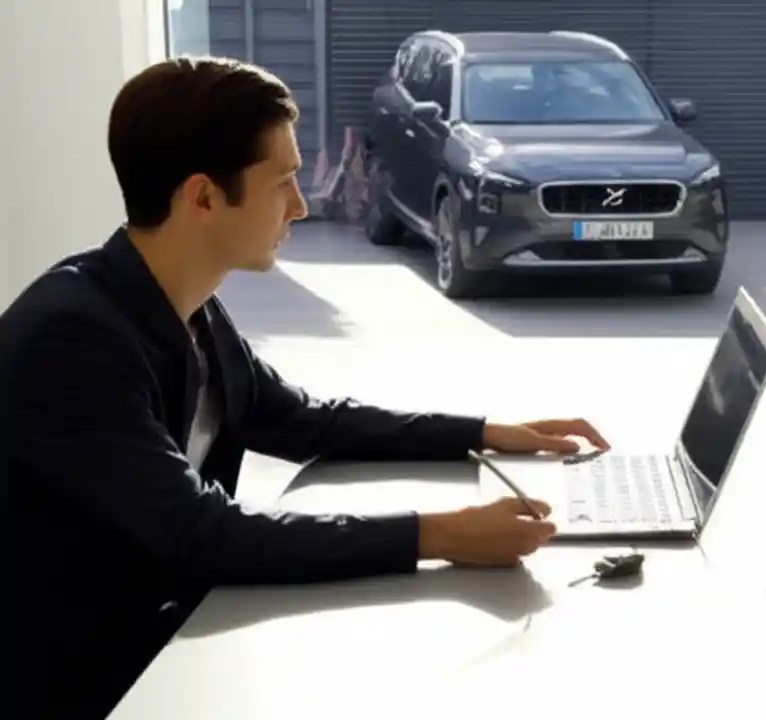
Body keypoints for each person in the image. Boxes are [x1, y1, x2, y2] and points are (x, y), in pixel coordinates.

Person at [0, 56, 610, 719]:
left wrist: (484, 434)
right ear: (203, 197)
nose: (301, 203)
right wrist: (442, 536)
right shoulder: (71, 340)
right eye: (284, 180)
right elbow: (202, 533)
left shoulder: (182, 305)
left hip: (159, 647)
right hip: (79, 683)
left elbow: (303, 420)